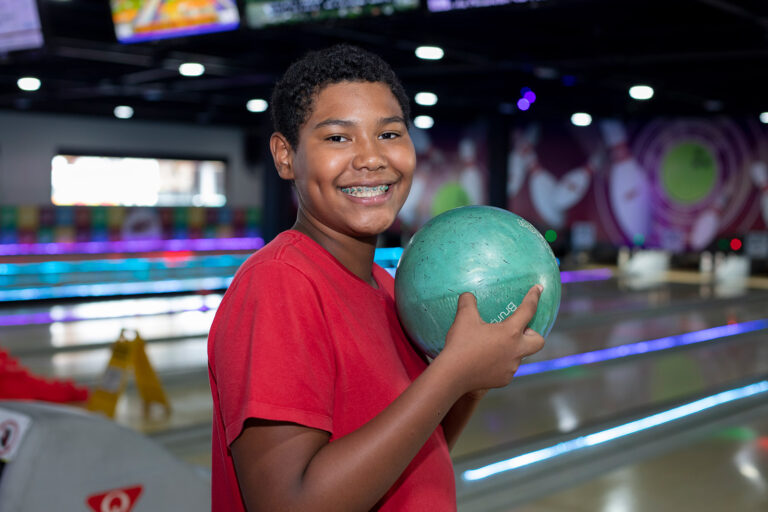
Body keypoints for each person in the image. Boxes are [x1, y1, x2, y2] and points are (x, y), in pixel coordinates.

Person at [207, 44, 546, 512]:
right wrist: (451, 374)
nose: (371, 158)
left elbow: (414, 455)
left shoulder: (390, 291)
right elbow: (290, 502)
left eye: (389, 134)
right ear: (285, 156)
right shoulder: (279, 284)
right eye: (337, 138)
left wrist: (469, 384)